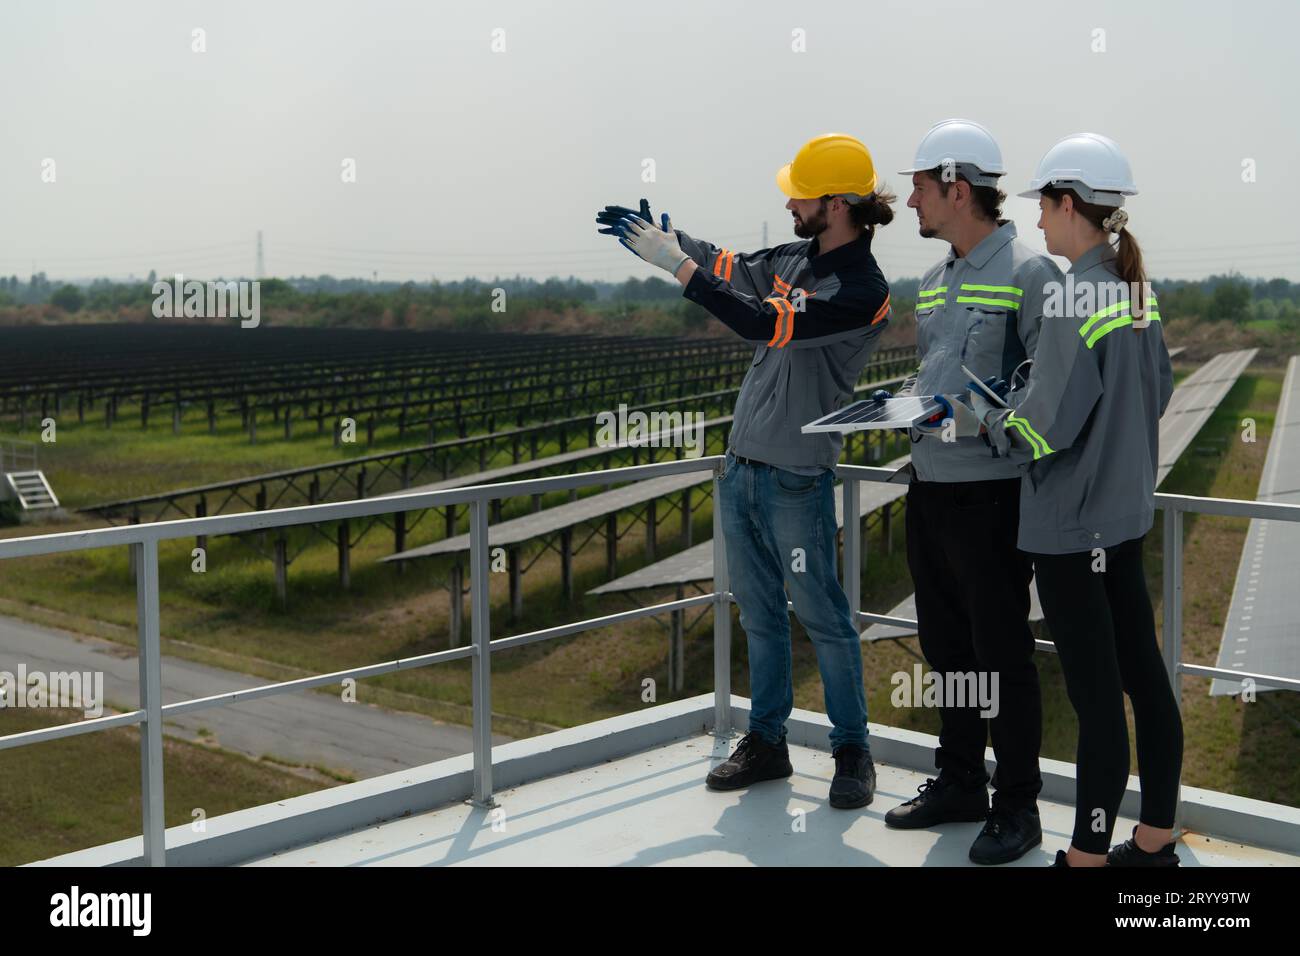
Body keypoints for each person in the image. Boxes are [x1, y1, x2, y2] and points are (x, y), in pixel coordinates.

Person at [594, 133, 895, 808]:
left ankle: (853, 751)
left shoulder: (859, 291)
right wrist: (669, 240)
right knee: (759, 614)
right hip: (743, 467)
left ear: (837, 203)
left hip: (796, 477)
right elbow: (729, 266)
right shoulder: (795, 256)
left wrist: (677, 268)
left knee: (823, 616)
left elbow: (762, 323)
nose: (788, 204)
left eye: (800, 196)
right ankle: (767, 743)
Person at [967, 133, 1183, 867]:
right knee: (1145, 680)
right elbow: (1157, 390)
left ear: (1069, 204)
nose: (1036, 220)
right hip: (1123, 517)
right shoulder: (1136, 291)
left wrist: (986, 416)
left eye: (1043, 206)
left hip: (1070, 525)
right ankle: (1153, 840)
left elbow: (1042, 428)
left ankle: (1086, 857)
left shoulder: (1070, 299)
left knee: (1095, 702)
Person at [882, 119, 1064, 865]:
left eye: (921, 188)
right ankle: (959, 781)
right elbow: (940, 376)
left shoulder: (1032, 274)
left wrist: (970, 417)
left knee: (1001, 654)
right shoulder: (934, 281)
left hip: (991, 500)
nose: (911, 202)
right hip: (929, 489)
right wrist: (900, 404)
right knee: (947, 648)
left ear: (958, 189)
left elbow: (1046, 398)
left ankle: (1018, 806)